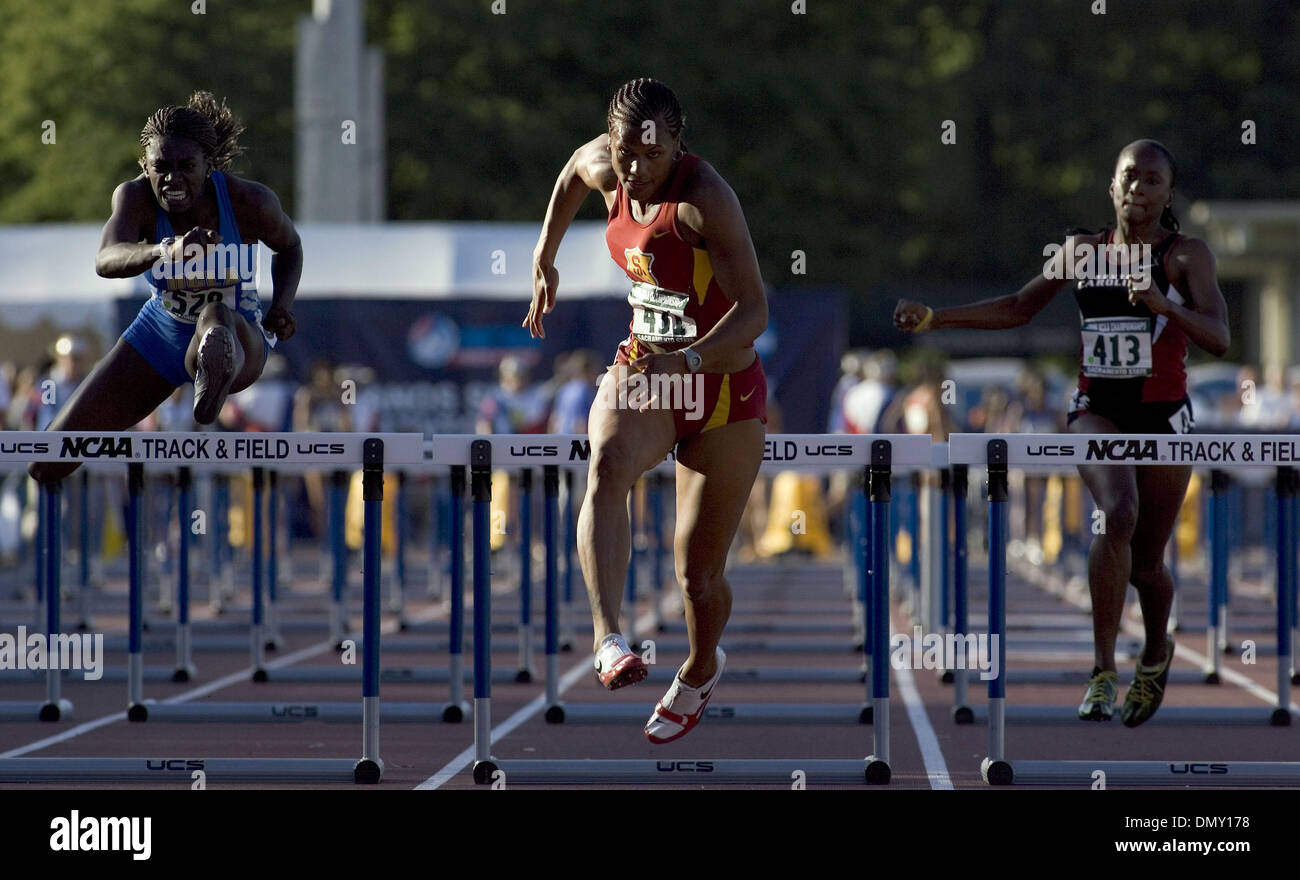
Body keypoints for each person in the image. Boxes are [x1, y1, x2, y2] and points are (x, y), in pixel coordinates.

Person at [894, 139, 1229, 727]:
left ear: (1168, 193)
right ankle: (1102, 668)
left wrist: (1163, 307)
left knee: (1148, 562)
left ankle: (1155, 652)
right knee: (1117, 514)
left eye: (1151, 181)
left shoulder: (1185, 256)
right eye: (1128, 177)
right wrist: (937, 318)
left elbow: (1220, 336)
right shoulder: (1080, 251)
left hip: (1164, 414)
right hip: (1095, 407)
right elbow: (1020, 307)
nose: (1137, 189)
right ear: (1111, 185)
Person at [524, 78, 768, 743]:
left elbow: (755, 311)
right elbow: (572, 174)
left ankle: (697, 667)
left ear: (677, 144)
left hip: (719, 385)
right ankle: (608, 639)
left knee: (698, 575)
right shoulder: (608, 162)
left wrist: (689, 361)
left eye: (650, 156)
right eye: (627, 151)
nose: (635, 168)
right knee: (606, 465)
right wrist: (545, 260)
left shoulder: (706, 201)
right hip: (643, 369)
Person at [29, 91, 300, 484]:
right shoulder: (135, 197)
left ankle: (213, 374)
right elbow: (106, 259)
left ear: (208, 166)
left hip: (238, 334)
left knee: (215, 315)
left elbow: (289, 246)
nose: (172, 179)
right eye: (161, 167)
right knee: (50, 459)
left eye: (186, 166)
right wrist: (165, 249)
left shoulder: (247, 201)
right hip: (161, 332)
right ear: (145, 166)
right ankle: (206, 368)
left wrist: (282, 305)